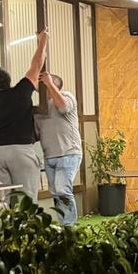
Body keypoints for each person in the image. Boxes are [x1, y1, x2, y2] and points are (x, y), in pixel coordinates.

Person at [0, 29, 47, 198]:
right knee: (27, 200)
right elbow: (37, 65)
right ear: (8, 80)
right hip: (21, 151)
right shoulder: (21, 91)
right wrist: (43, 41)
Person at [36, 72, 83, 224]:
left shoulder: (66, 96)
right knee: (56, 193)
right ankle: (64, 227)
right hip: (49, 156)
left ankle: (69, 229)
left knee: (63, 190)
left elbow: (63, 108)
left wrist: (49, 84)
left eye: (44, 83)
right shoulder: (40, 108)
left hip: (68, 153)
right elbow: (36, 132)